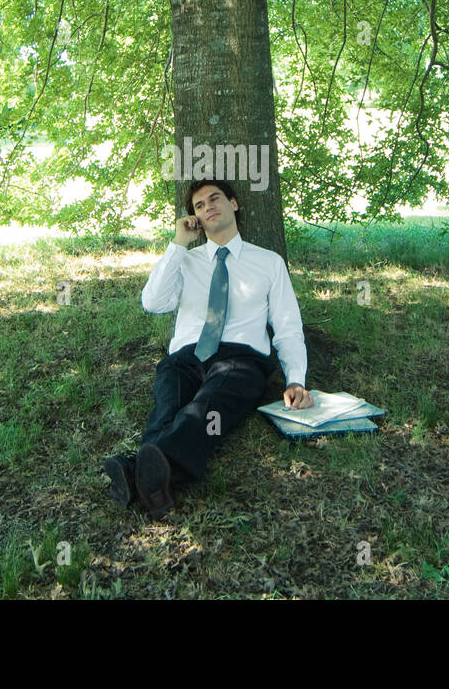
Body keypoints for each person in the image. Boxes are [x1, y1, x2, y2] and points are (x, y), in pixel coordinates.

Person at [104, 178, 312, 518]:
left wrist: (296, 379)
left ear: (234, 204)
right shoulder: (186, 261)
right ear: (195, 220)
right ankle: (154, 475)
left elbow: (287, 326)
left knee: (207, 406)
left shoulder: (269, 263)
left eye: (214, 199)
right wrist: (178, 244)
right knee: (167, 407)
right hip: (185, 358)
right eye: (198, 206)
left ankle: (137, 470)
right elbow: (153, 303)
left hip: (239, 359)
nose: (207, 207)